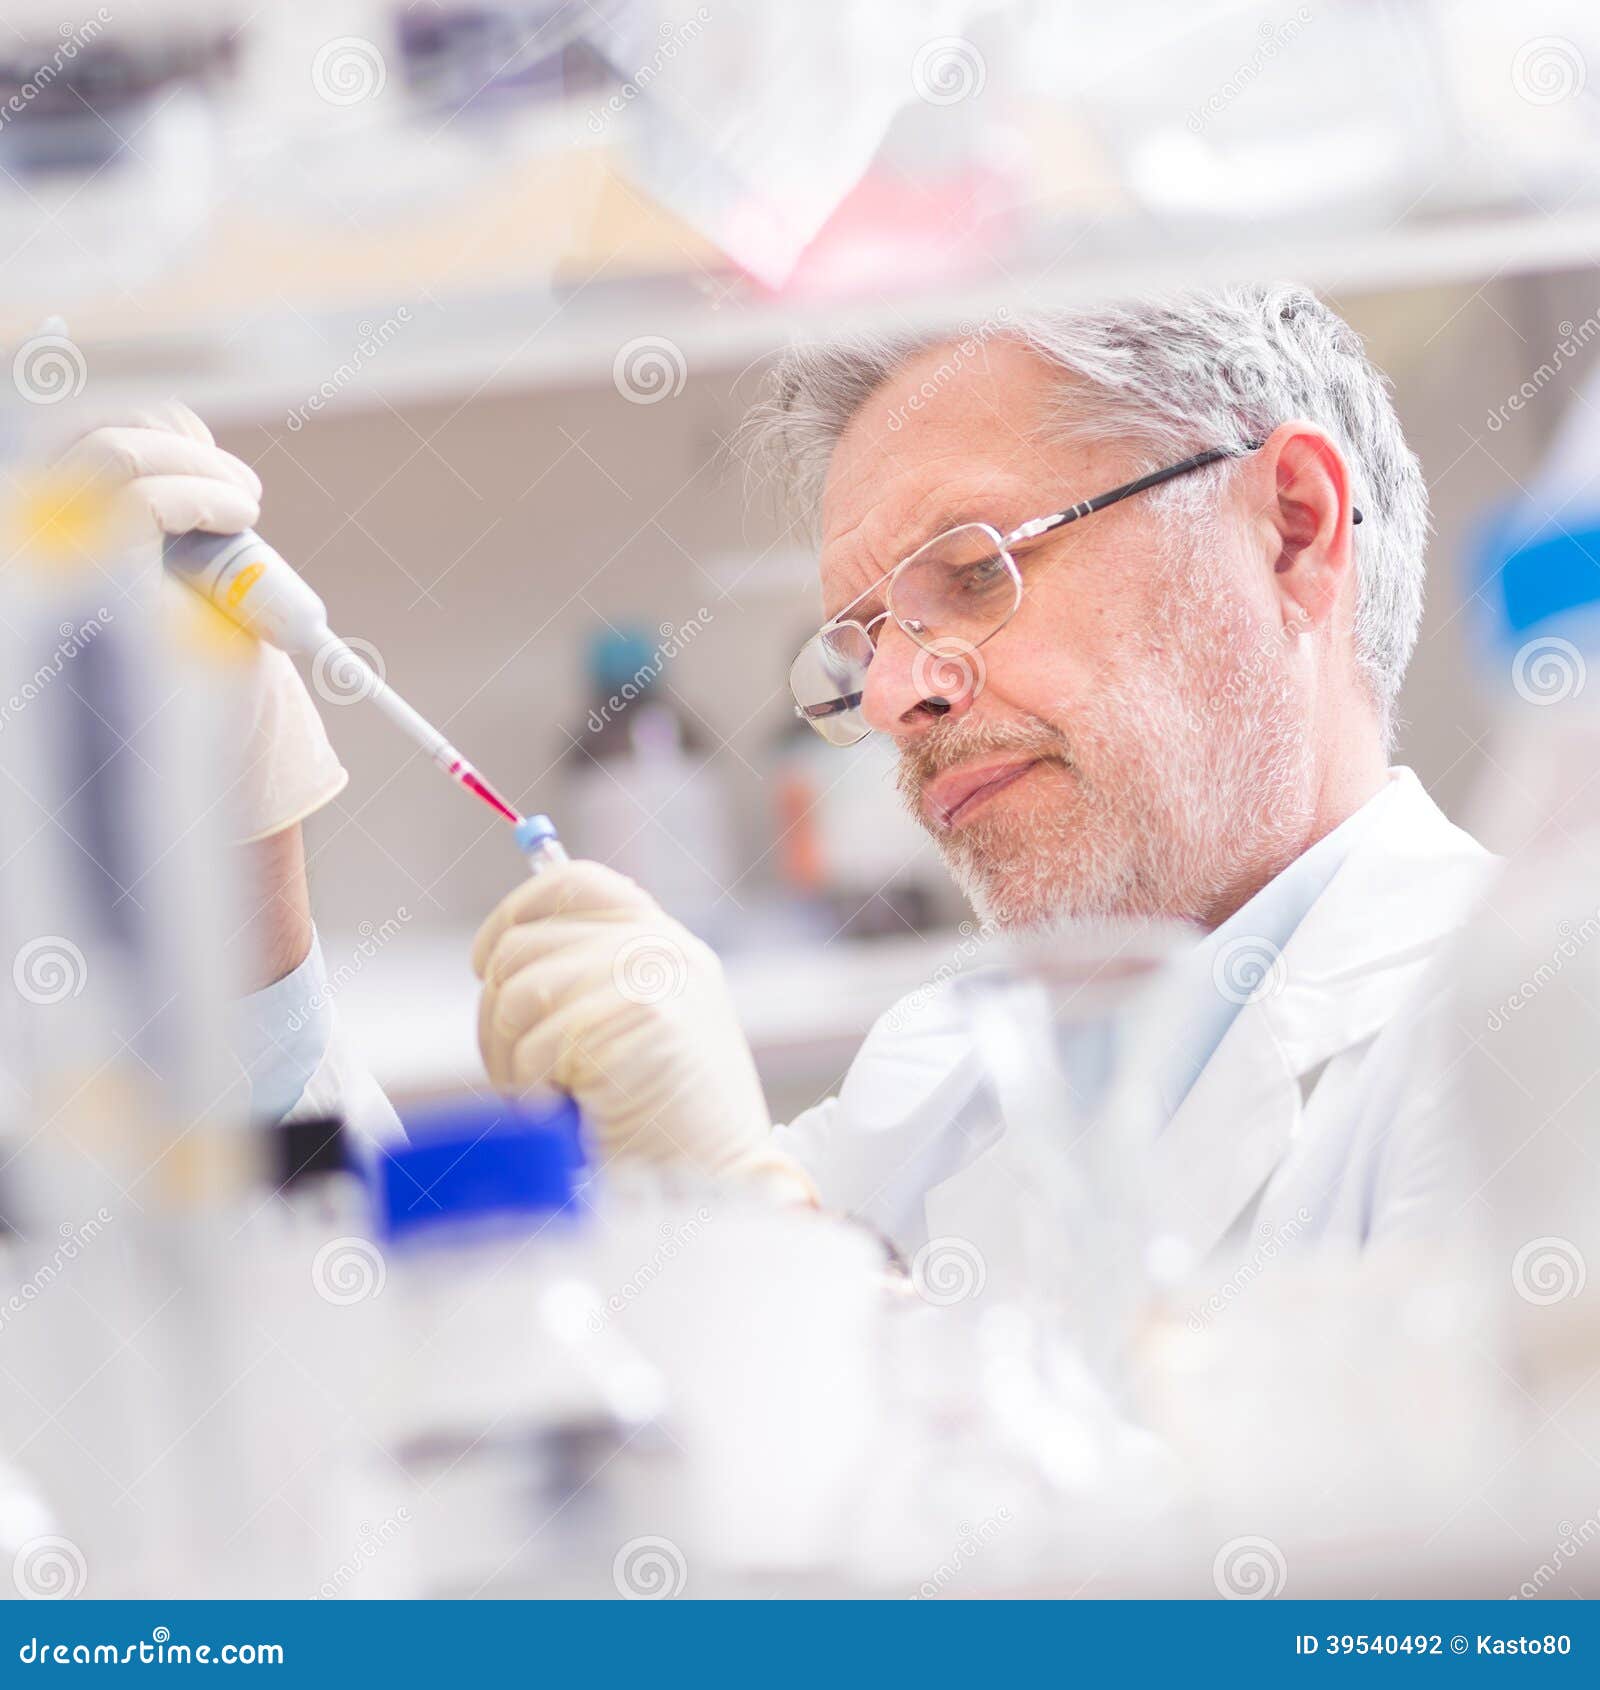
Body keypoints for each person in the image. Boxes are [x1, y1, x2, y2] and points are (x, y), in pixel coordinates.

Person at [77, 285, 1498, 1282]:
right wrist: (228, 814)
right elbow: (461, 1382)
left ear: (1295, 530)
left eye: (974, 568)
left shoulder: (1519, 1032)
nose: (892, 696)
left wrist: (746, 1211)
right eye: (860, 642)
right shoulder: (939, 1088)